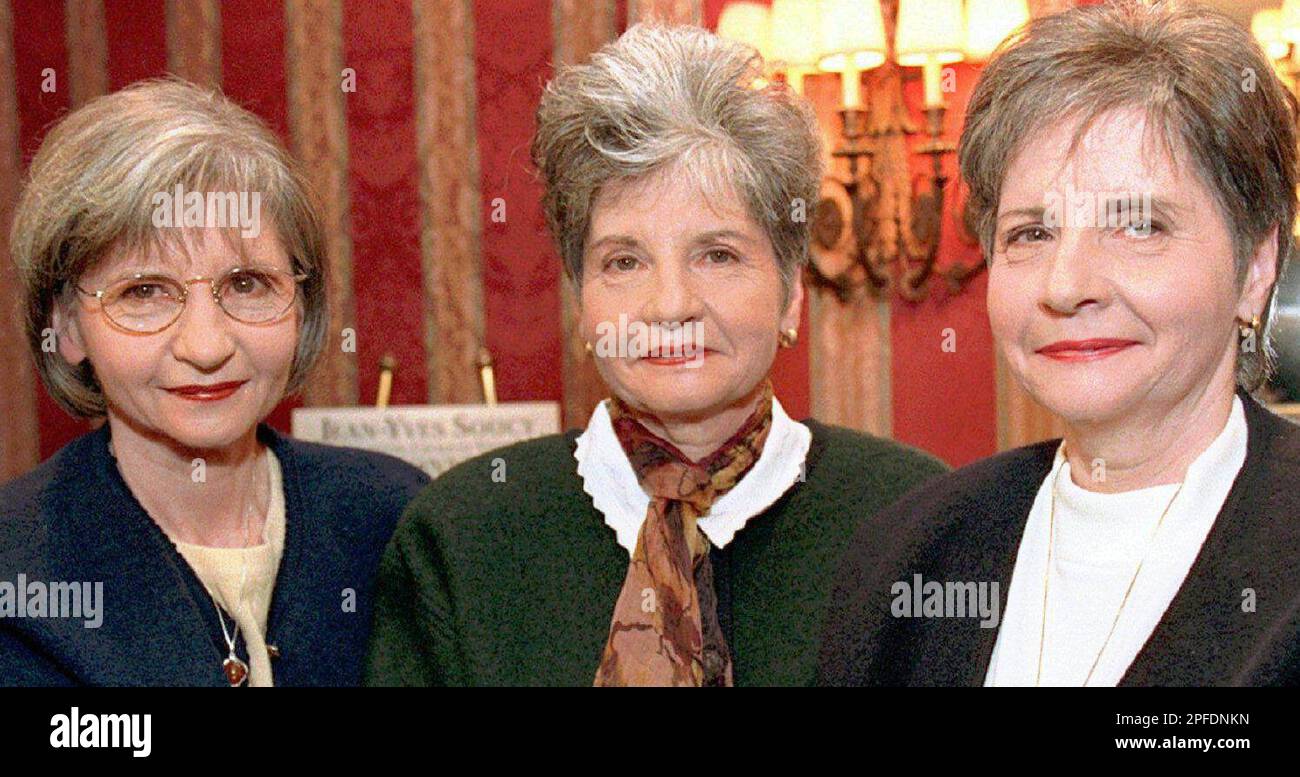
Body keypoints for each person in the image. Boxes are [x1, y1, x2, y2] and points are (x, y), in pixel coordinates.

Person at [364, 23, 947, 687]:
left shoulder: (915, 516)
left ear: (792, 294)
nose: (671, 304)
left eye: (718, 254)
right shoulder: (462, 534)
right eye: (624, 260)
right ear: (582, 299)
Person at [819, 0, 1300, 686]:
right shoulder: (907, 554)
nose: (1067, 284)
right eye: (1032, 233)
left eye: (1138, 226)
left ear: (1254, 270)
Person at [0, 78, 428, 686]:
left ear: (302, 304)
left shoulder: (395, 517)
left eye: (247, 284)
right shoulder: (18, 573)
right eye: (144, 292)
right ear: (67, 327)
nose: (206, 346)